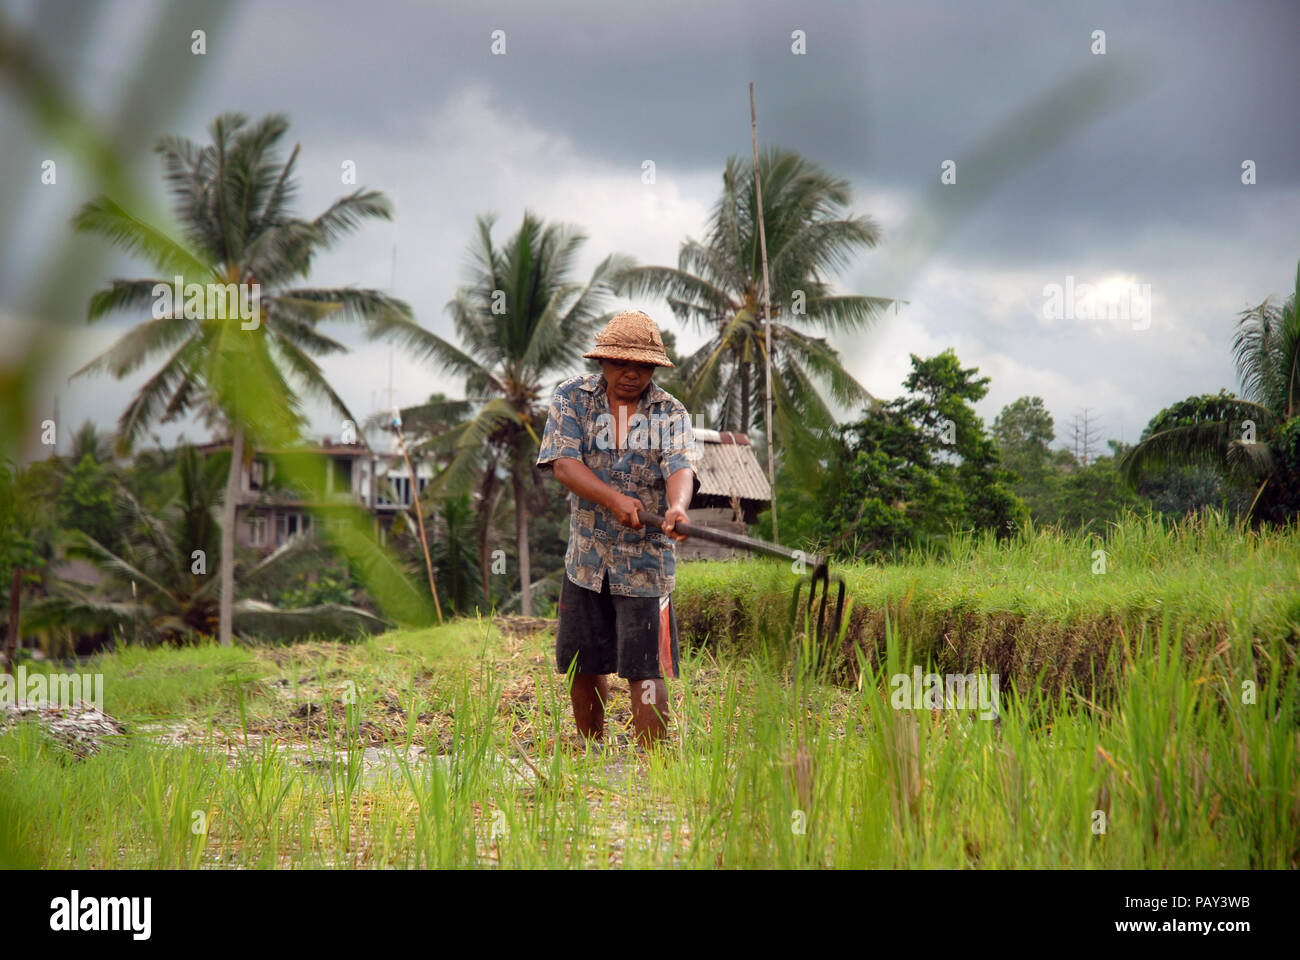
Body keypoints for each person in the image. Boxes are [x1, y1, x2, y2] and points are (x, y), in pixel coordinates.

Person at [536, 309, 697, 748]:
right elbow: (564, 465)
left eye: (643, 366)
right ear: (602, 362)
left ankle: (653, 771)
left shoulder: (669, 411)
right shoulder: (572, 398)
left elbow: (680, 466)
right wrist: (613, 499)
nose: (632, 374)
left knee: (647, 670)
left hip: (646, 564)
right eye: (622, 364)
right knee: (584, 664)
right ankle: (591, 755)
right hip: (587, 560)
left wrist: (677, 508)